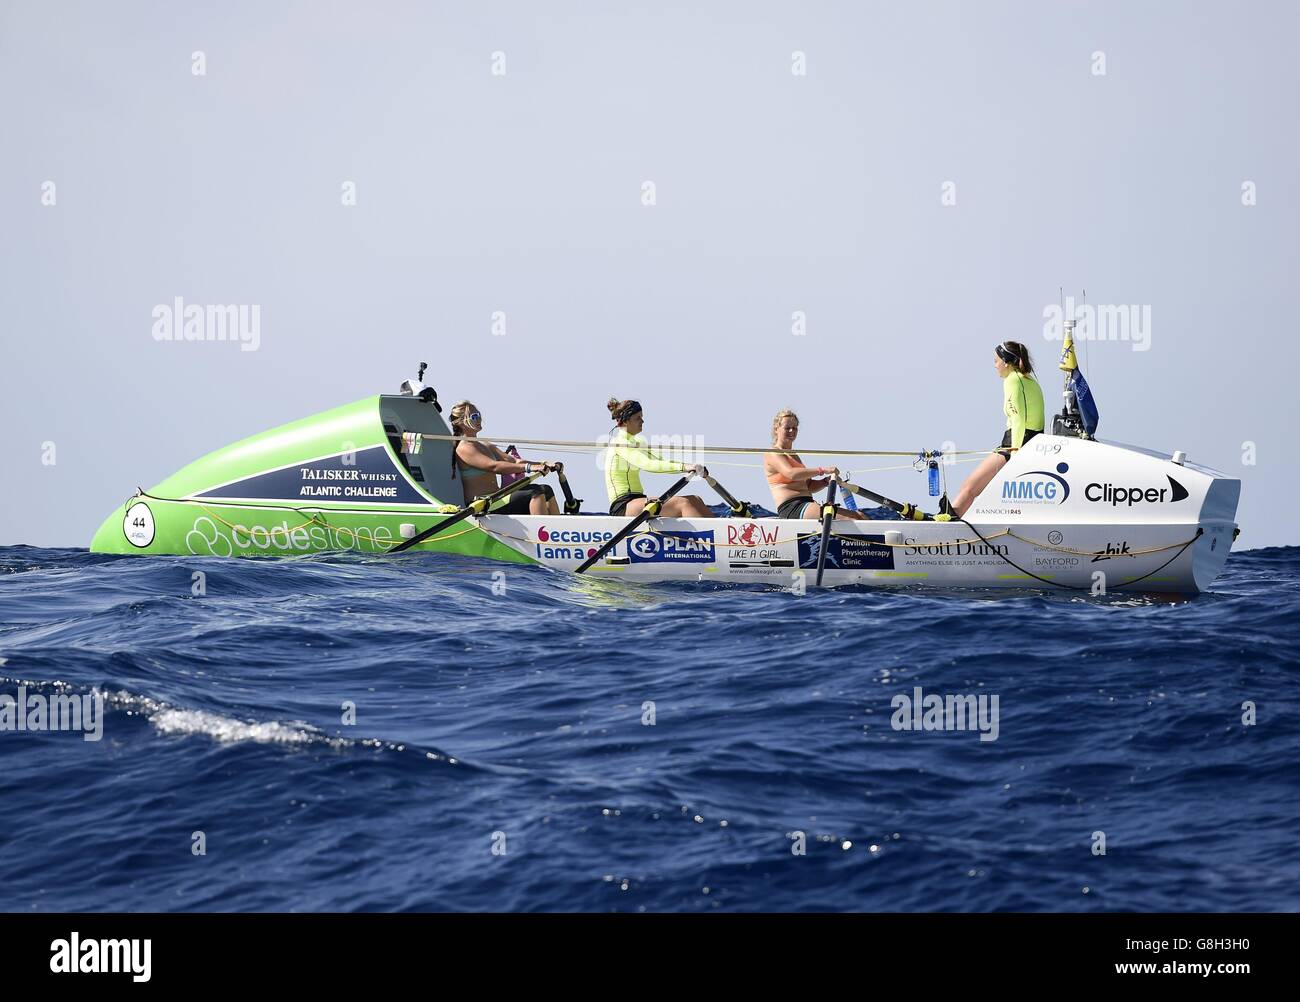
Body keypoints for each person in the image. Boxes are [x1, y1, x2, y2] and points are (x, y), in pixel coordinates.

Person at [947, 342, 1044, 518]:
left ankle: (946, 524)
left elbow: (1018, 419)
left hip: (1016, 444)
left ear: (1006, 362)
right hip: (1029, 442)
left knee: (969, 487)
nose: (994, 365)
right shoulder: (1030, 381)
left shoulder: (1013, 380)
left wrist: (1016, 456)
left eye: (996, 360)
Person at [604, 398, 711, 517]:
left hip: (637, 500)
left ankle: (719, 532)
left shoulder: (635, 442)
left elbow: (659, 461)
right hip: (623, 505)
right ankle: (716, 534)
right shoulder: (620, 443)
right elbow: (648, 464)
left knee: (696, 499)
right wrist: (684, 467)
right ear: (625, 422)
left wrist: (692, 467)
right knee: (685, 503)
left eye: (642, 417)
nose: (642, 421)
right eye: (637, 418)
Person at [449, 400, 560, 515]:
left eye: (479, 415)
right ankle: (540, 531)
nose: (479, 419)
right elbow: (494, 466)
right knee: (536, 492)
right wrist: (529, 467)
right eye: (474, 416)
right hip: (482, 505)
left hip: (497, 499)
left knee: (547, 490)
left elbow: (515, 461)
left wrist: (542, 464)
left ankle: (557, 530)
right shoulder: (464, 448)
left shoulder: (485, 444)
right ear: (461, 422)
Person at [764, 409, 866, 520]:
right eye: (787, 428)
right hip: (792, 508)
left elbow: (809, 486)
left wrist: (825, 481)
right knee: (854, 517)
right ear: (776, 429)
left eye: (794, 428)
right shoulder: (773, 453)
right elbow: (791, 473)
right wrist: (822, 470)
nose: (791, 431)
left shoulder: (794, 455)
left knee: (860, 516)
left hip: (807, 503)